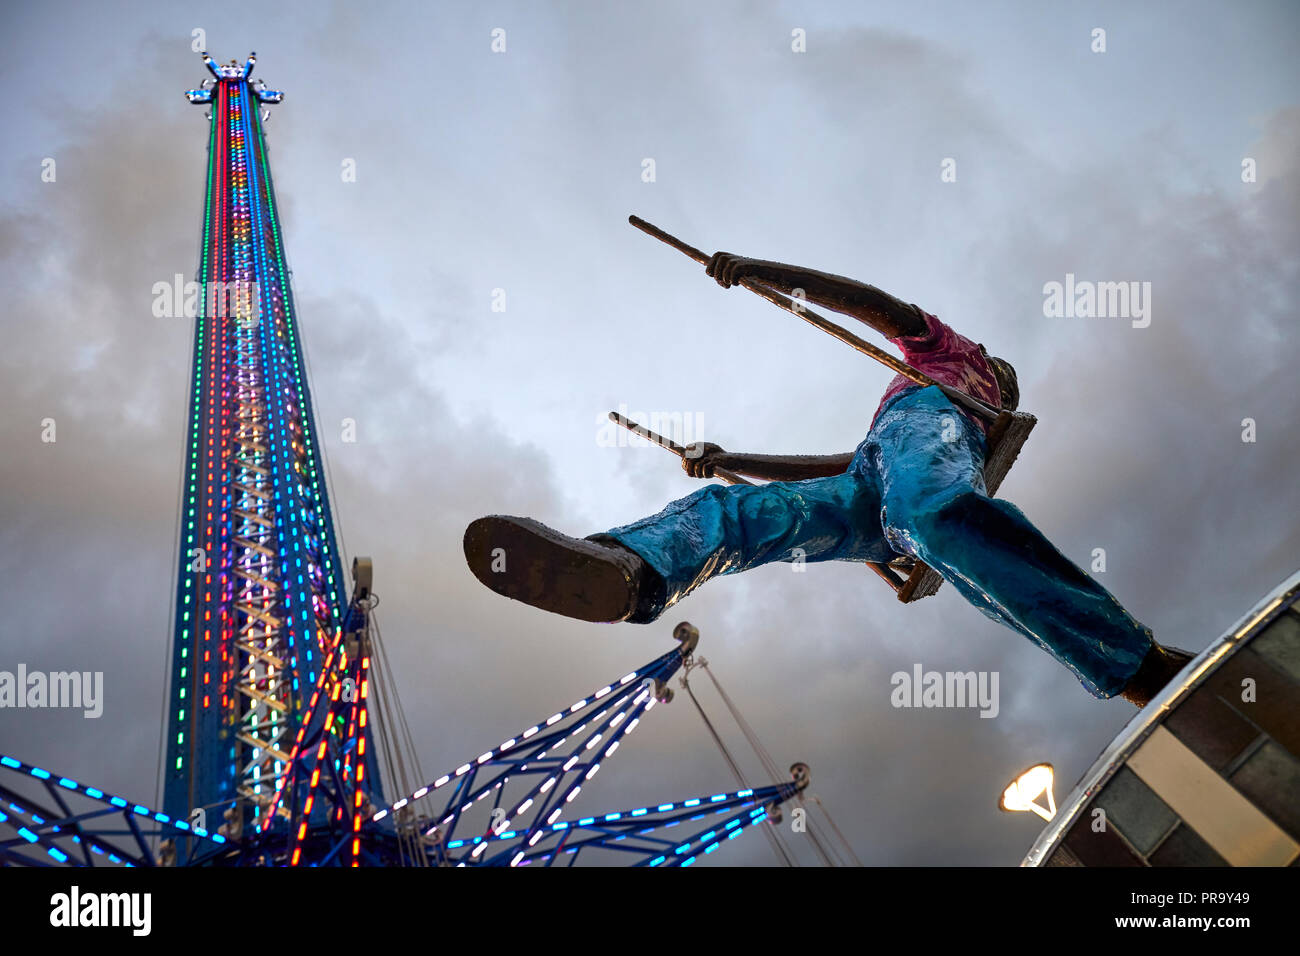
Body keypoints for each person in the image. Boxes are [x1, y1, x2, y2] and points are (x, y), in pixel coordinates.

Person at [464, 252, 1191, 706]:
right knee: (738, 513)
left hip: (934, 433)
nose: (994, 366)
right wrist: (726, 459)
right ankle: (632, 568)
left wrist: (765, 272)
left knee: (932, 514)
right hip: (875, 473)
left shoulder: (956, 366)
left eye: (1000, 372)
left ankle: (1129, 657)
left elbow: (873, 306)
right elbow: (834, 469)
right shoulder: (896, 414)